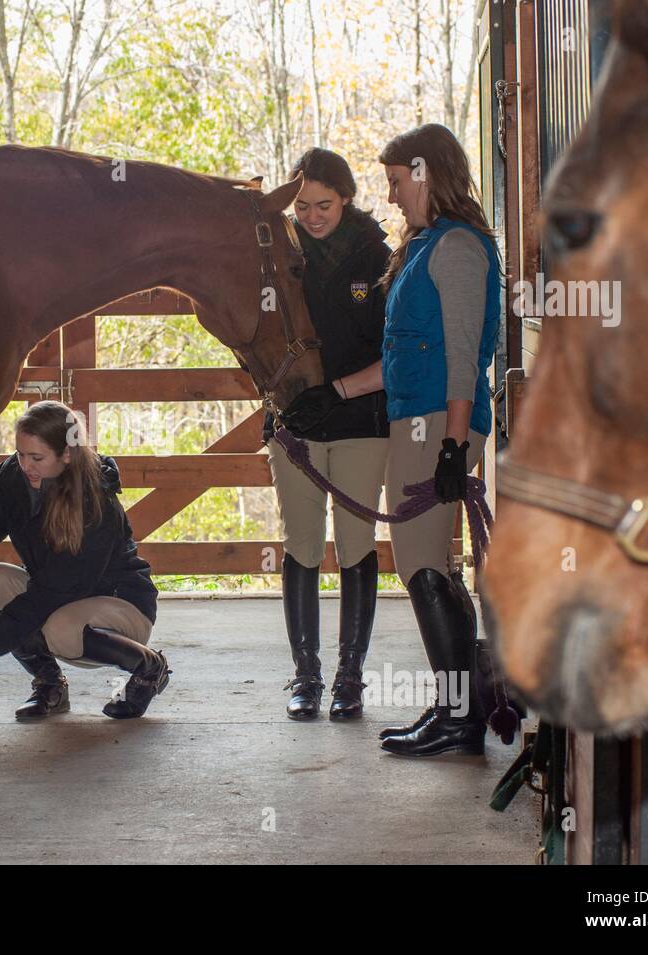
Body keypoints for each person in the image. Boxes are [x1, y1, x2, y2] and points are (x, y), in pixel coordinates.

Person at [376, 123, 502, 757]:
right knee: (432, 566)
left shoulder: (455, 248)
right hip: (422, 418)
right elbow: (404, 351)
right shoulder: (431, 245)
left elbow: (461, 357)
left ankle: (458, 717)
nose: (393, 195)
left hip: (438, 422)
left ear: (424, 173)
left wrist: (453, 446)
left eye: (398, 181)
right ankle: (461, 709)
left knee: (420, 564)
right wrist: (334, 394)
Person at [0, 400, 169, 720]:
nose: (25, 465)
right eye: (20, 454)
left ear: (67, 455)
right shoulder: (14, 477)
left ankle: (149, 668)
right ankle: (50, 685)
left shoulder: (94, 502)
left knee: (59, 628)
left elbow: (48, 596)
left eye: (37, 457)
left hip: (120, 604)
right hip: (60, 599)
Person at [263, 148, 391, 721]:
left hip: (361, 420)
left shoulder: (379, 257)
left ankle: (350, 676)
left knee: (357, 545)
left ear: (346, 198)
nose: (313, 216)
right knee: (302, 545)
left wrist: (338, 391)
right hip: (296, 422)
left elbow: (394, 351)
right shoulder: (281, 256)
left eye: (325, 204)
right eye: (304, 205)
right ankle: (307, 675)